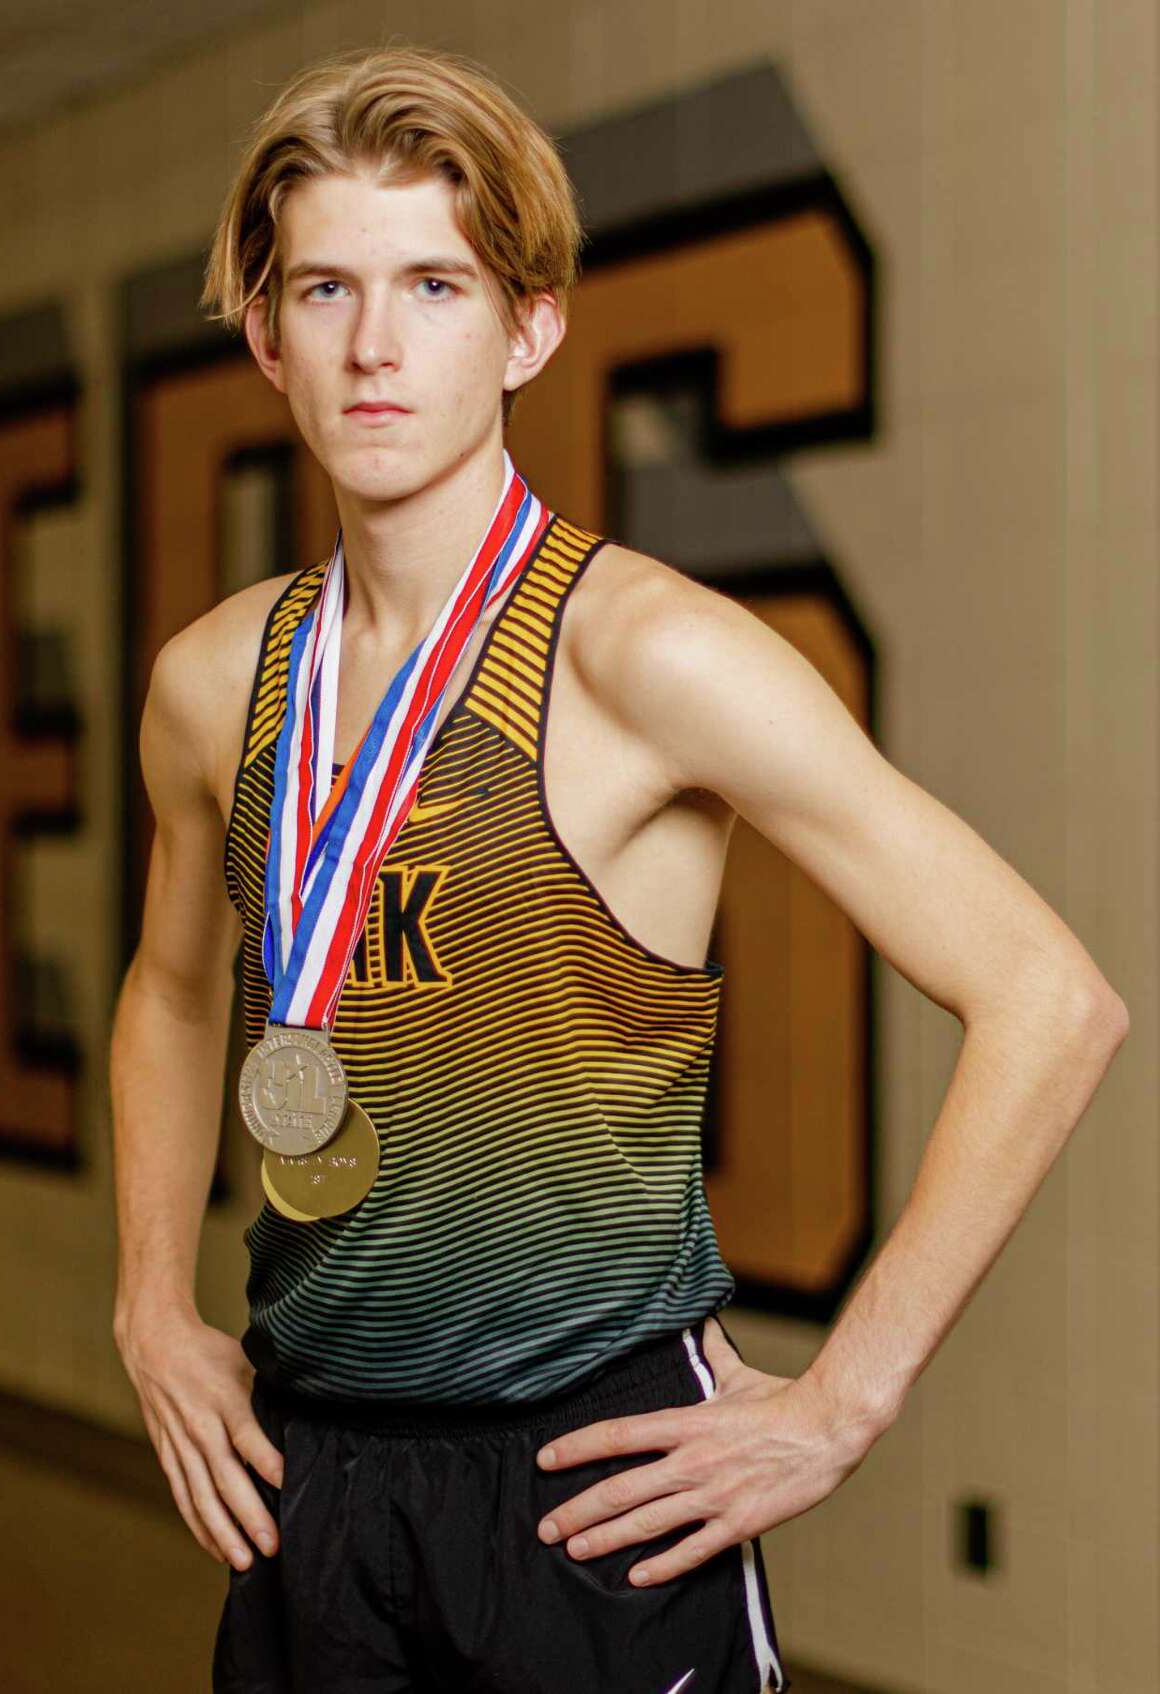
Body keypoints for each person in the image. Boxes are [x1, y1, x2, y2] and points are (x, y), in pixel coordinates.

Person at [108, 43, 1127, 1694]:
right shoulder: (214, 684)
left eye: (436, 285)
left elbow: (1049, 997)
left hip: (594, 1491)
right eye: (326, 291)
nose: (375, 346)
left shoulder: (650, 659)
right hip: (316, 1484)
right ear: (266, 332)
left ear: (529, 325)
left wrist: (845, 1400)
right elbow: (166, 993)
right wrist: (150, 1301)